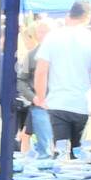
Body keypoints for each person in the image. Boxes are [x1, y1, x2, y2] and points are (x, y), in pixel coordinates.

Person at [33, 0, 91, 152]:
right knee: (77, 153)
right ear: (88, 17)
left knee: (60, 153)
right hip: (82, 104)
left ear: (70, 14)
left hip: (57, 102)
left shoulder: (53, 37)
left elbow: (41, 71)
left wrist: (40, 98)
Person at [17, 18, 55, 157]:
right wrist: (34, 98)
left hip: (60, 106)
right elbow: (21, 80)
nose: (42, 35)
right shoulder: (31, 55)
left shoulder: (61, 54)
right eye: (40, 32)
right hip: (40, 106)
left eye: (46, 31)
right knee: (45, 148)